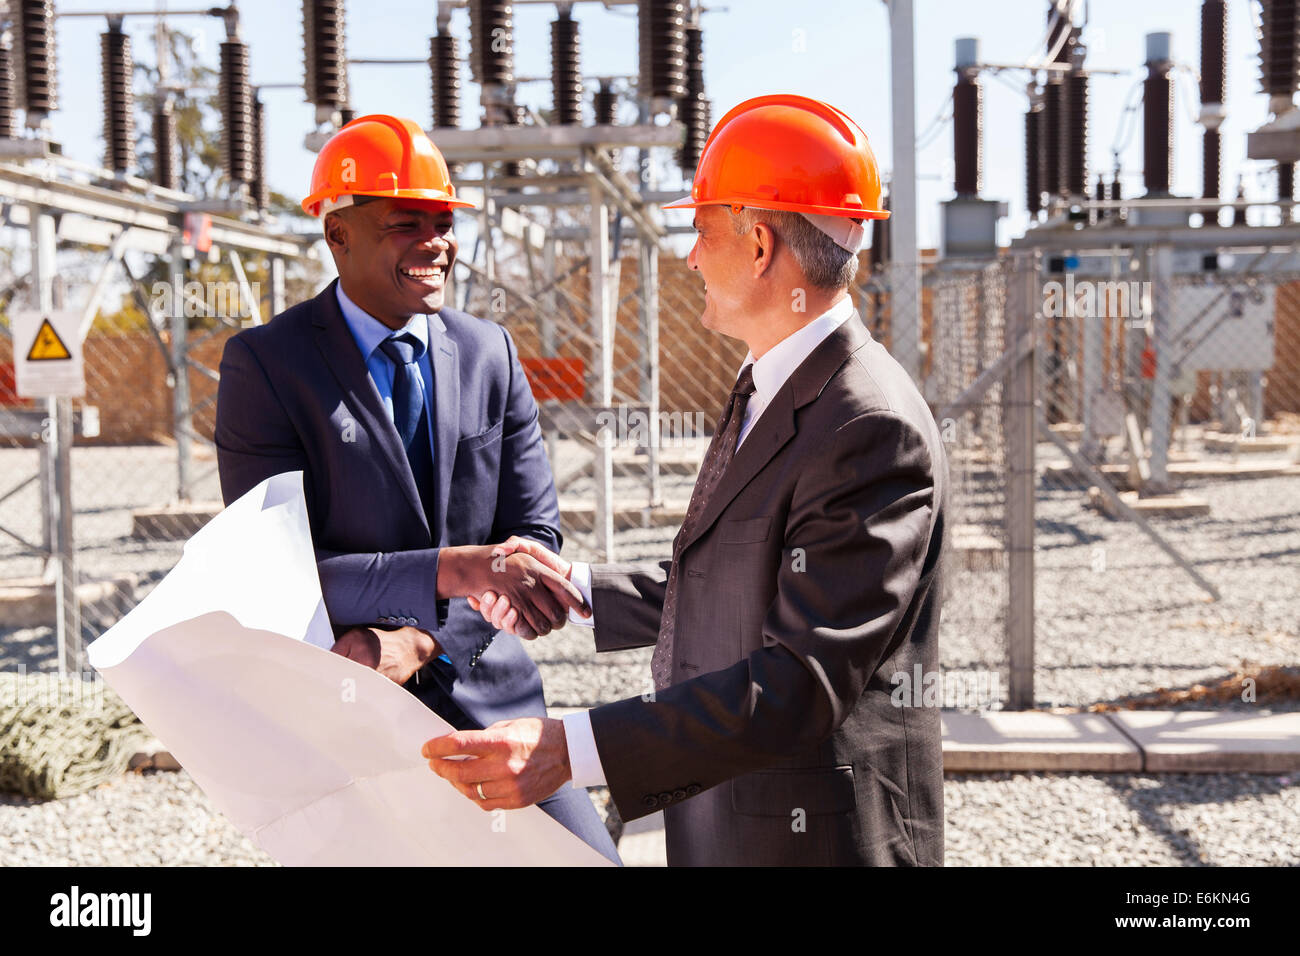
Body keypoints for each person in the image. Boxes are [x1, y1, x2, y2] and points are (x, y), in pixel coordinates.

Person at [422, 95, 948, 866]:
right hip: (735, 817)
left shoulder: (867, 425)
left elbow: (803, 682)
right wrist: (580, 591)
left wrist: (574, 748)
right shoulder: (777, 385)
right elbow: (740, 583)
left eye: (702, 231)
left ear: (760, 243)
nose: (692, 256)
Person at [214, 114, 619, 864]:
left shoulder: (488, 352)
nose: (437, 242)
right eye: (407, 224)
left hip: (487, 706)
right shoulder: (267, 367)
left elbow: (534, 541)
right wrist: (456, 569)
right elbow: (273, 573)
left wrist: (421, 639)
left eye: (443, 222)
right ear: (338, 236)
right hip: (344, 720)